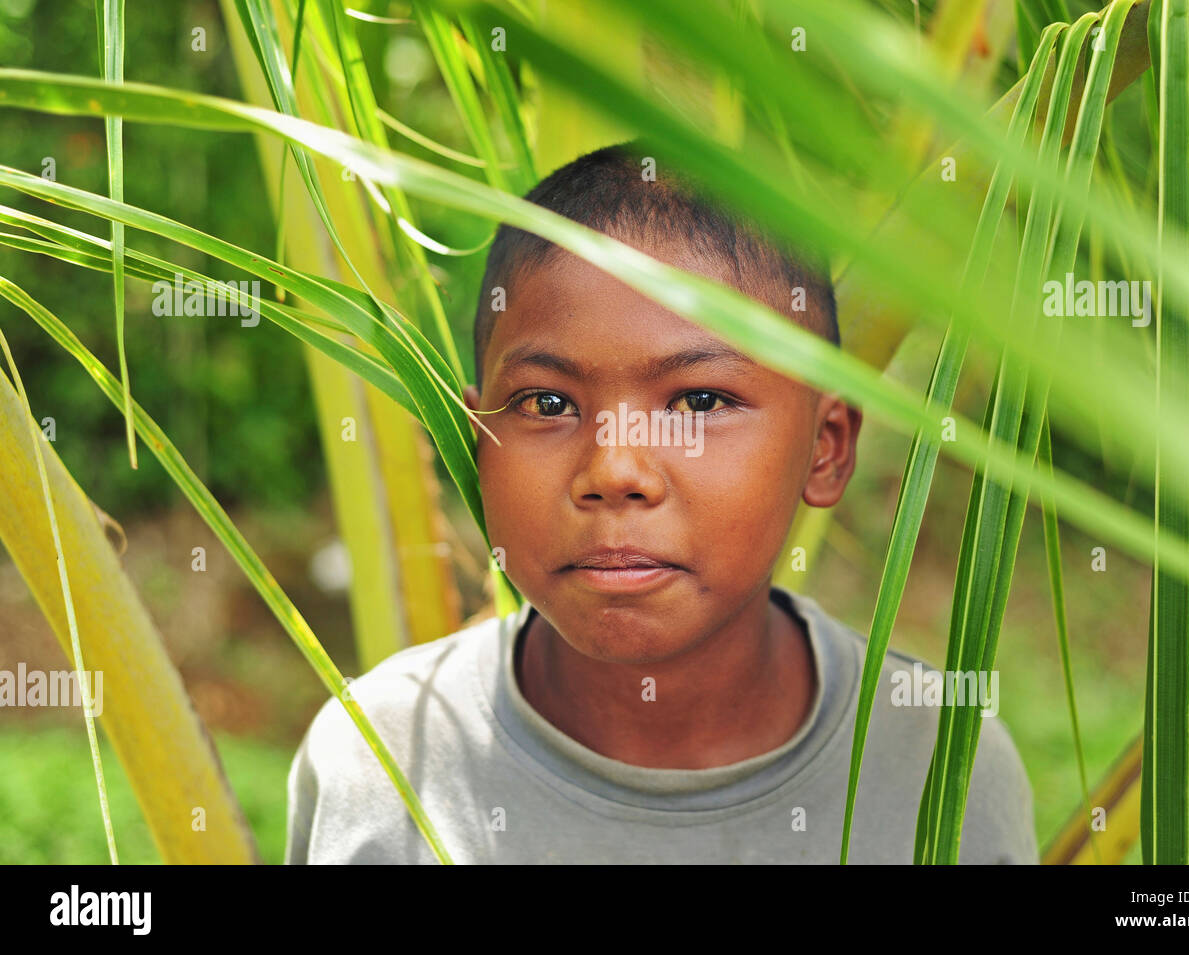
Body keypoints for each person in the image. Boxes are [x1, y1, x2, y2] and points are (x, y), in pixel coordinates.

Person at [286, 140, 1037, 864]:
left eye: (699, 400)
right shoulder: (379, 760)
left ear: (826, 447)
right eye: (547, 402)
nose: (614, 469)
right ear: (481, 438)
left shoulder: (938, 762)